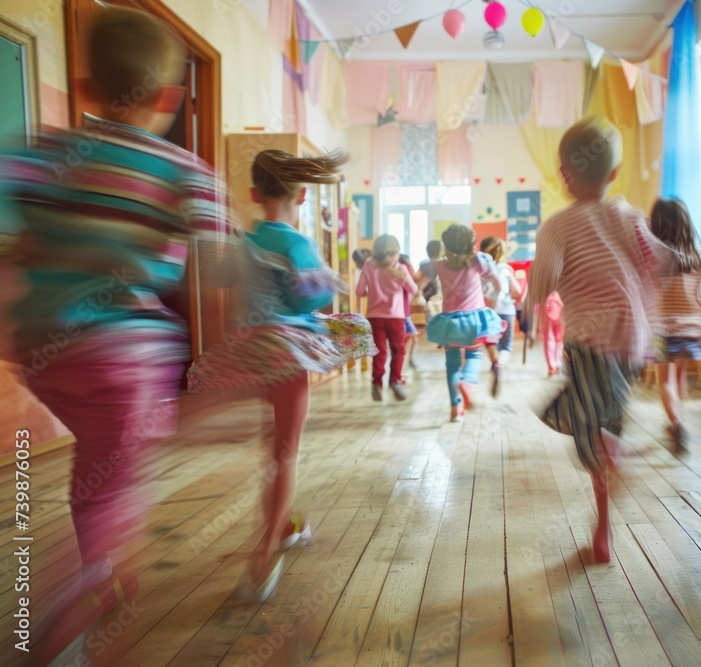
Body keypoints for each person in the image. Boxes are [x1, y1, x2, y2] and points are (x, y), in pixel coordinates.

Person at [0, 7, 232, 661]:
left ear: (85, 89)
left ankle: (104, 570)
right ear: (169, 97)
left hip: (46, 352)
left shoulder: (47, 152)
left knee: (95, 469)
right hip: (125, 356)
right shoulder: (185, 170)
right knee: (117, 480)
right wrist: (211, 375)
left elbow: (12, 238)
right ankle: (71, 606)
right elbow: (218, 276)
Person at [187, 149, 375, 600]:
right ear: (303, 196)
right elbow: (307, 299)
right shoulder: (297, 243)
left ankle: (286, 522)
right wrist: (329, 280)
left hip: (249, 349)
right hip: (287, 350)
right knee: (283, 453)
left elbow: (214, 279)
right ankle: (266, 550)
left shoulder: (241, 242)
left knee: (270, 444)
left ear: (254, 194)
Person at [529, 117, 672, 564]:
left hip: (589, 338)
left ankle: (609, 460)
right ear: (614, 173)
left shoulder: (558, 226)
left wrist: (528, 309)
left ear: (563, 176)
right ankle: (604, 522)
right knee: (609, 416)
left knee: (591, 429)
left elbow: (543, 279)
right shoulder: (630, 216)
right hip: (632, 342)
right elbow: (663, 261)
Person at [648, 198, 701, 454]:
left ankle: (675, 423)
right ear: (685, 224)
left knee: (664, 381)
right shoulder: (696, 257)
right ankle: (678, 421)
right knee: (680, 376)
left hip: (660, 329)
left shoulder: (652, 259)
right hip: (688, 329)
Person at [423, 224, 505, 421]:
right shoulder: (478, 261)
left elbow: (421, 283)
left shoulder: (439, 265)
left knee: (451, 363)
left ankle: (455, 409)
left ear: (446, 245)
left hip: (450, 322)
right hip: (475, 319)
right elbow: (498, 283)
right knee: (474, 354)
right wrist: (494, 294)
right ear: (471, 244)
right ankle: (467, 382)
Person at [356, 235, 417, 401]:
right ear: (396, 253)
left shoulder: (368, 265)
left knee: (379, 351)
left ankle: (376, 382)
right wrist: (403, 280)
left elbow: (360, 291)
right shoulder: (400, 268)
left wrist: (373, 293)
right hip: (396, 318)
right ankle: (395, 380)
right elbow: (414, 289)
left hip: (374, 317)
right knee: (398, 350)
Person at [479, 236, 524, 379]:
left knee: (490, 341)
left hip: (486, 311)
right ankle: (499, 365)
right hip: (506, 310)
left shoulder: (479, 270)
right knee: (506, 346)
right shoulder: (506, 269)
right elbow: (517, 291)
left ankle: (495, 361)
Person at [539, 292, 565, 376]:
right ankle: (555, 364)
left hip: (552, 303)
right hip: (556, 303)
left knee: (551, 338)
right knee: (557, 338)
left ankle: (554, 365)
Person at [418, 240, 444, 320]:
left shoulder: (424, 265)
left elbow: (416, 278)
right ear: (442, 251)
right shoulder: (445, 265)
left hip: (427, 297)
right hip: (441, 298)